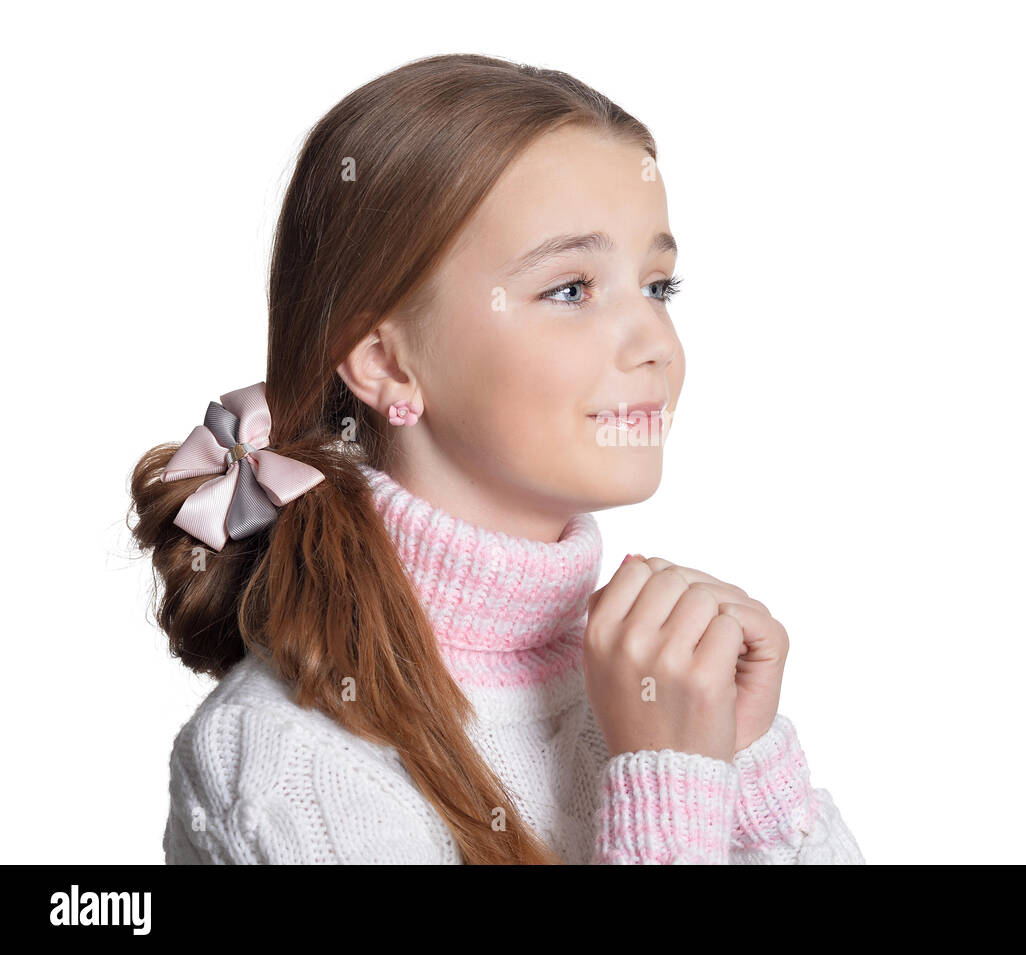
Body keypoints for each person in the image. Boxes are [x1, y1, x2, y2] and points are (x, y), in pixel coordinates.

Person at [129, 53, 865, 864]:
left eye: (659, 286)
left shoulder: (654, 689)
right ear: (385, 363)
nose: (656, 343)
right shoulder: (287, 763)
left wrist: (752, 767)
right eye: (571, 289)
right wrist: (671, 784)